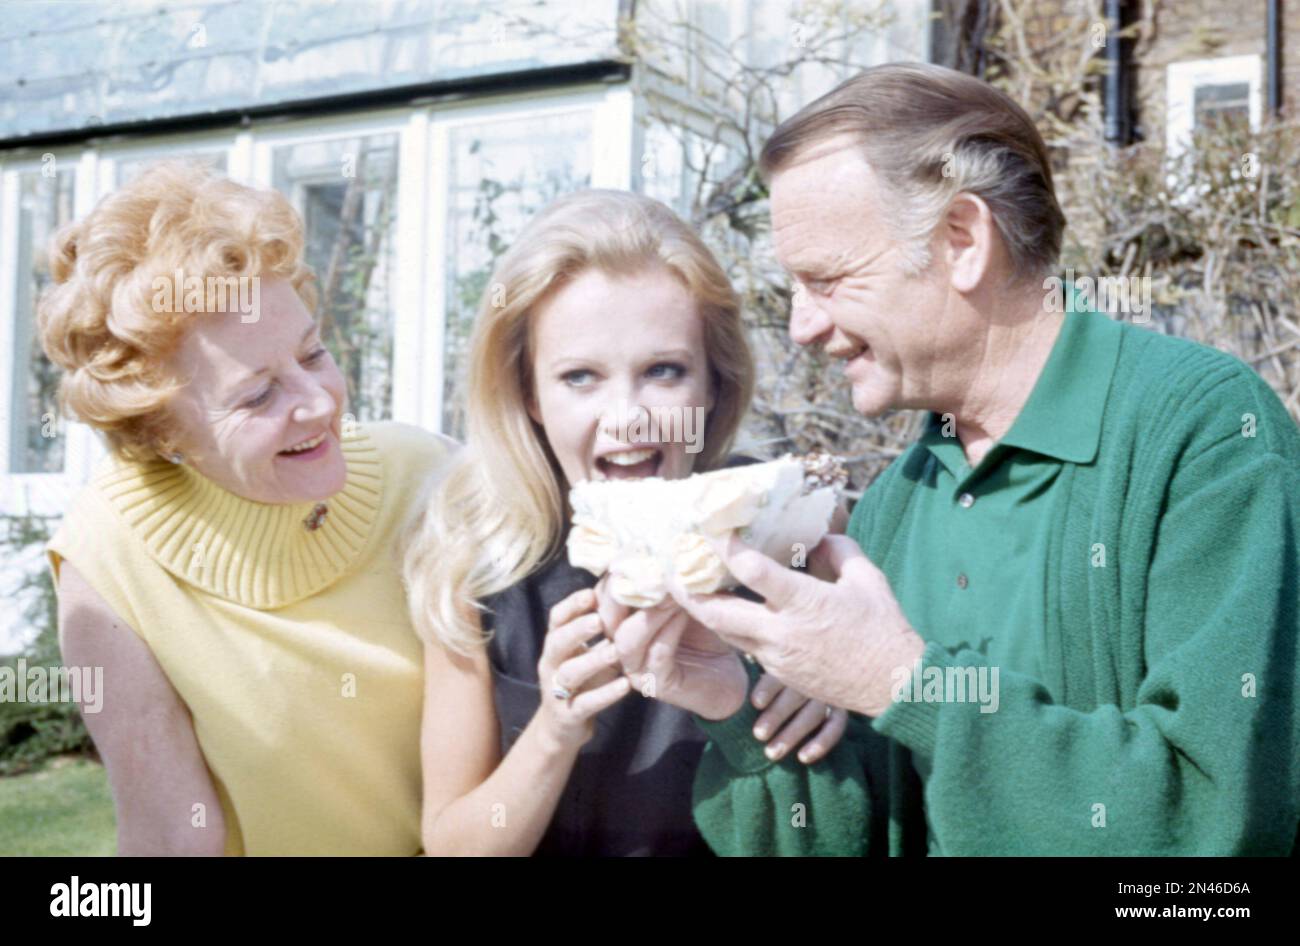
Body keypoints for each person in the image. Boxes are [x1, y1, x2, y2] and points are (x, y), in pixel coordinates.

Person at [624, 62, 1300, 855]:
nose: (802, 325)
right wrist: (731, 708)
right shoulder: (897, 504)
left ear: (961, 241)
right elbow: (845, 839)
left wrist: (909, 684)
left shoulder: (1206, 434)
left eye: (828, 279)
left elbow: (1217, 836)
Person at [402, 189, 848, 855]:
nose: (628, 417)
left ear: (714, 383)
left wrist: (839, 686)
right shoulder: (475, 562)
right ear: (529, 394)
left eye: (663, 371)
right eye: (580, 378)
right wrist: (555, 727)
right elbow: (453, 845)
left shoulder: (792, 525)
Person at [38, 160, 455, 855]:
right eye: (258, 396)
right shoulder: (107, 558)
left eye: (313, 353)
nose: (318, 404)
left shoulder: (430, 477)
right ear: (161, 430)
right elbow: (171, 837)